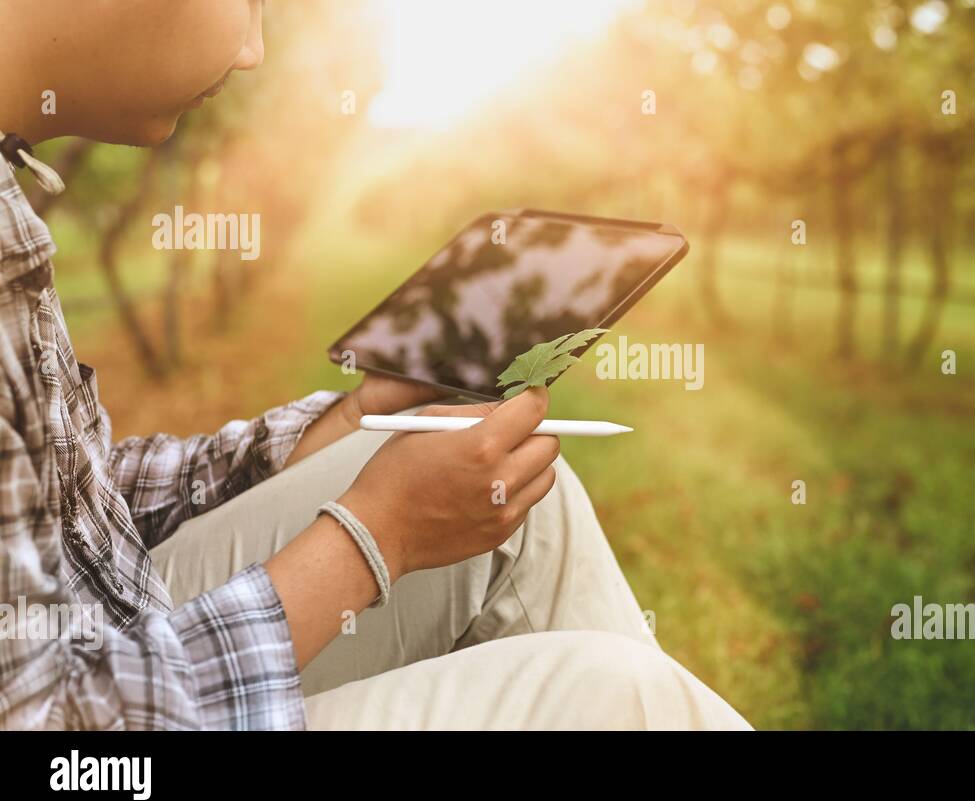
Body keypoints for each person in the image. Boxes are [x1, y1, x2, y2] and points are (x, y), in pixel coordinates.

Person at [0, 0, 750, 731]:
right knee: (623, 702)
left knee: (523, 499)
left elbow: (69, 501)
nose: (254, 49)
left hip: (98, 615)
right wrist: (374, 538)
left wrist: (350, 420)